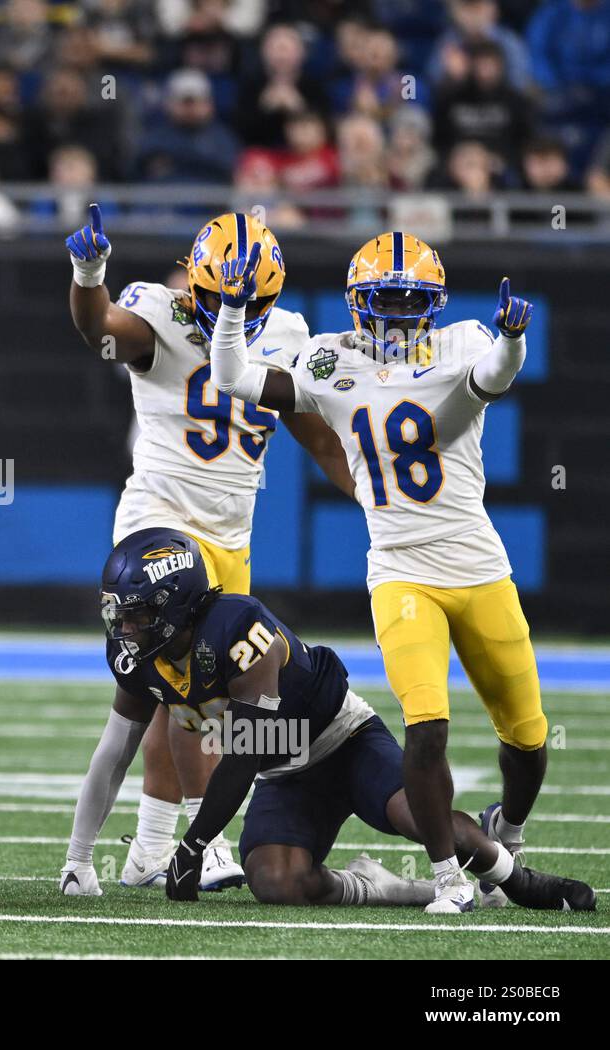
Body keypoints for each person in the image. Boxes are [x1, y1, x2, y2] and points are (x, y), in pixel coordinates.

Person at [208, 230, 556, 912]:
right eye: (383, 301)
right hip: (399, 571)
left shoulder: (465, 342)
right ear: (355, 303)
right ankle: (450, 879)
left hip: (478, 563)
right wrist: (229, 310)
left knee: (528, 735)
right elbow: (233, 378)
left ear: (436, 303)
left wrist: (513, 340)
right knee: (426, 727)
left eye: (410, 302)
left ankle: (506, 835)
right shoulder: (328, 360)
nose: (397, 316)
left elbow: (491, 380)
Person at [61, 529, 593, 914]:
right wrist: (79, 858)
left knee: (418, 817)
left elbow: (244, 751)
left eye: (135, 614)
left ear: (173, 606)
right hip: (285, 771)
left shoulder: (239, 627)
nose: (124, 627)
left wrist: (193, 844)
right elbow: (114, 752)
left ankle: (517, 878)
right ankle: (389, 888)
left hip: (342, 740)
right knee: (275, 881)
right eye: (119, 614)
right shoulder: (138, 658)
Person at [64, 205, 354, 891]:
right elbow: (96, 326)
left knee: (186, 697)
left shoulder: (284, 331)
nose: (231, 309)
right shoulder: (158, 313)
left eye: (246, 300)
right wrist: (88, 272)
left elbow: (313, 432)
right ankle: (208, 840)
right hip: (161, 522)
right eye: (219, 293)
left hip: (230, 530)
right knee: (194, 691)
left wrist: (375, 494)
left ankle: (149, 849)